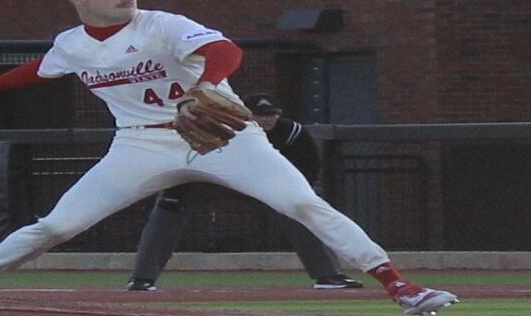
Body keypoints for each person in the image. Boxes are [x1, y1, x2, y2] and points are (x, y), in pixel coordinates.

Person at [0, 0, 457, 315]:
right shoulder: (73, 42)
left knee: (301, 202)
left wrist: (208, 84)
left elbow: (225, 51)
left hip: (224, 135)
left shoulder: (160, 24)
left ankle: (398, 285)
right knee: (58, 223)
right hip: (139, 144)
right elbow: (42, 69)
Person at [125, 93, 363, 292]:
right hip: (208, 180)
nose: (269, 119)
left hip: (263, 182)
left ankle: (329, 276)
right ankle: (142, 278)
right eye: (261, 115)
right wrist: (174, 193)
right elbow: (182, 160)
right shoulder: (212, 127)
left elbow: (308, 165)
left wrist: (298, 195)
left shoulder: (291, 131)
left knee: (302, 210)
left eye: (273, 114)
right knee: (168, 209)